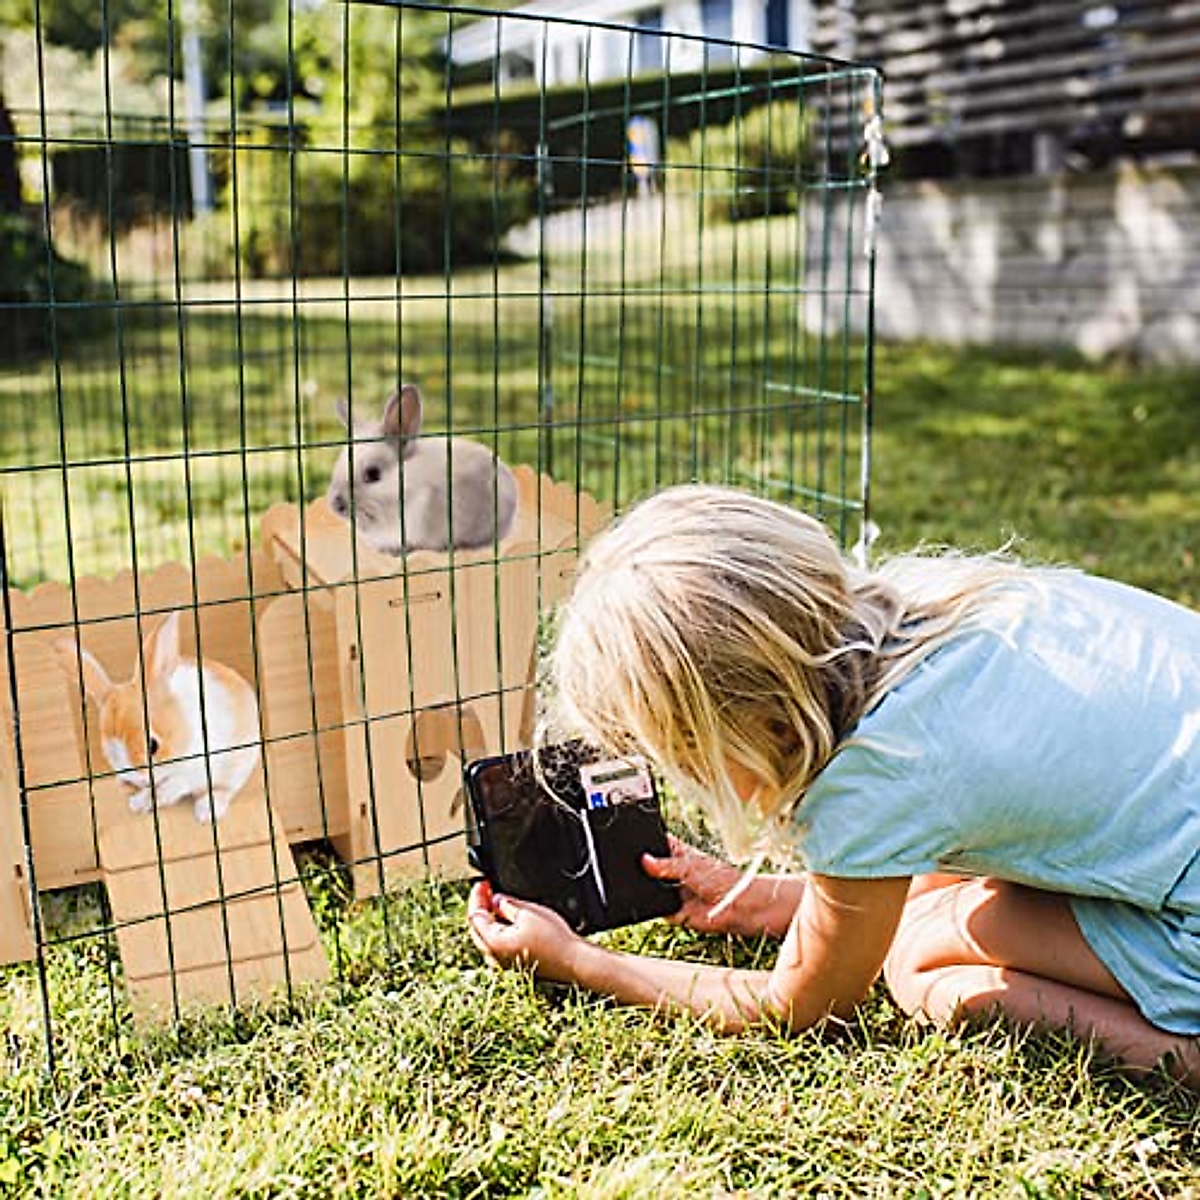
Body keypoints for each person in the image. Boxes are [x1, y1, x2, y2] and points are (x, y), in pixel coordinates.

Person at [467, 485, 1200, 1086]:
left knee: (922, 962)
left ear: (742, 727)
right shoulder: (931, 604)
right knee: (944, 894)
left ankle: (1183, 1054)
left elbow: (800, 1006)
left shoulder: (877, 771)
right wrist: (754, 901)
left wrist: (579, 962)